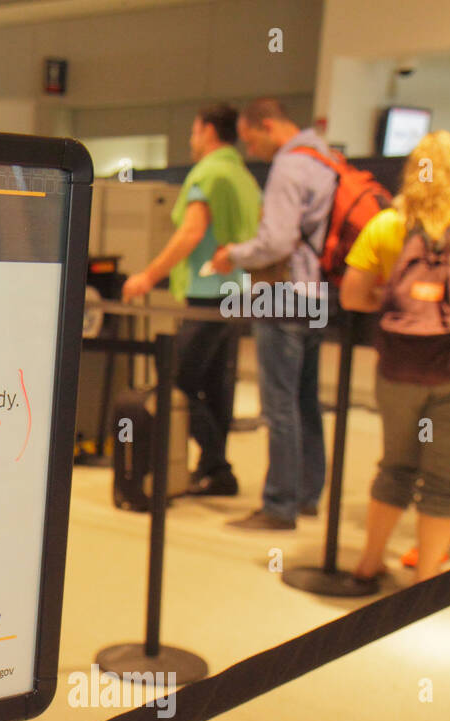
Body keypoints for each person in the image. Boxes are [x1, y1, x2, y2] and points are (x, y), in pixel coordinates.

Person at [340, 131, 450, 583]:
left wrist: (402, 301)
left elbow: (353, 296)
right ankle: (424, 582)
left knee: (396, 464)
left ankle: (368, 562)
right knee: (448, 478)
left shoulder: (387, 225)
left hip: (399, 368)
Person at [210, 98, 337, 530]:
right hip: (318, 292)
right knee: (305, 400)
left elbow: (277, 242)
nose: (253, 152)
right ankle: (307, 495)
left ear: (266, 125)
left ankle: (279, 505)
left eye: (252, 141)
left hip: (282, 294)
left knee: (279, 404)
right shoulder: (325, 158)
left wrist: (235, 254)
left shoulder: (288, 166)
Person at [123, 103, 261, 495]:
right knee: (218, 386)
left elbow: (191, 232)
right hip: (238, 294)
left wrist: (148, 276)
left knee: (175, 378)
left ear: (207, 131)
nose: (191, 139)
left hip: (207, 296)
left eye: (193, 131)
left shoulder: (209, 172)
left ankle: (218, 463)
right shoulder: (244, 177)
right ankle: (215, 471)